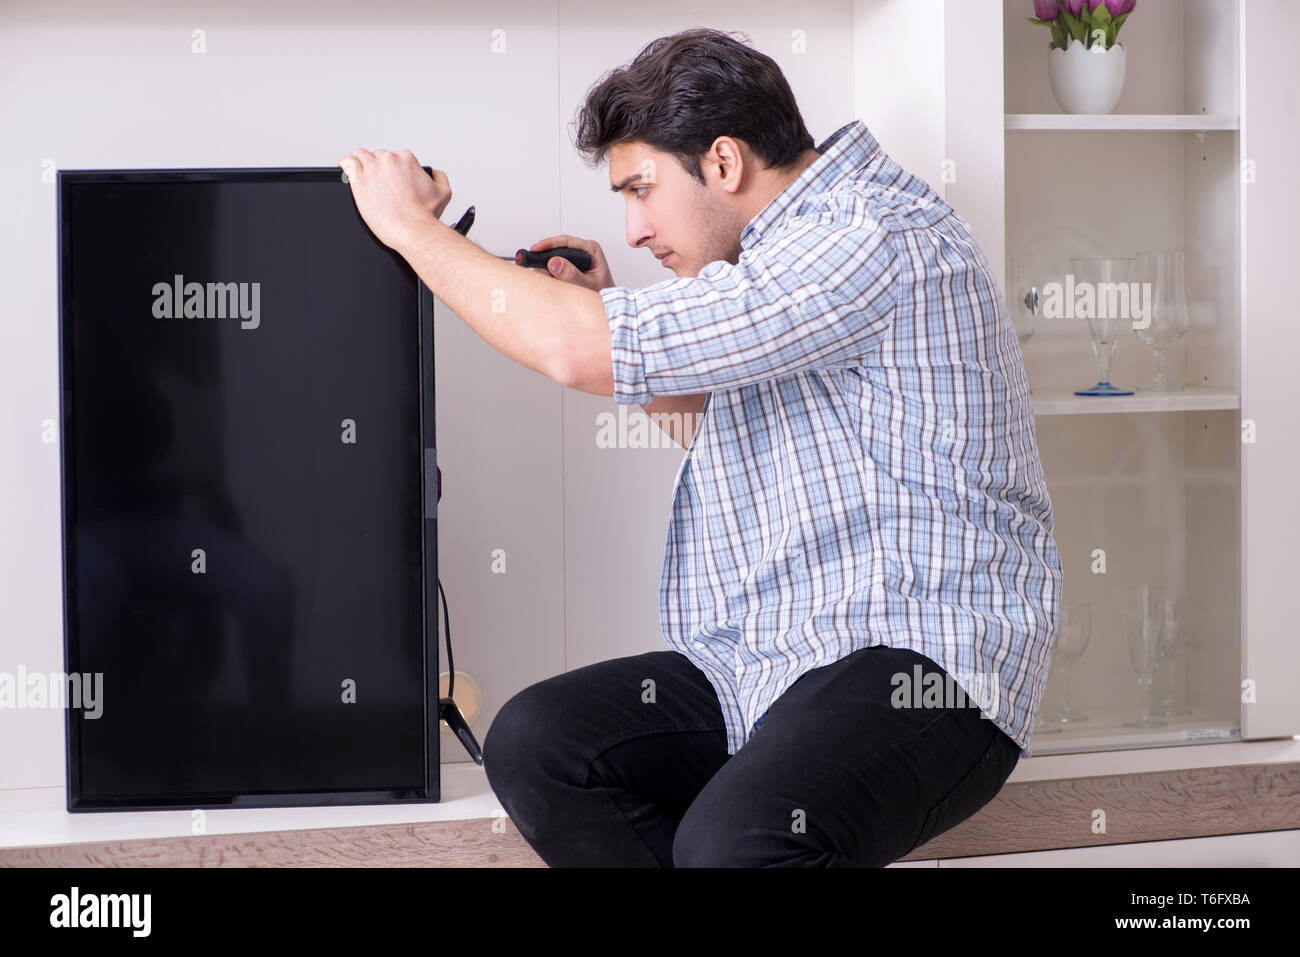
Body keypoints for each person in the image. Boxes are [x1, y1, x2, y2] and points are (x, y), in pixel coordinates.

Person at [338, 26, 1061, 867]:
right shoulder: (779, 260)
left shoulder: (862, 235)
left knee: (736, 843)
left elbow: (576, 353)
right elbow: (722, 424)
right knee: (542, 741)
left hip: (926, 669)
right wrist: (604, 303)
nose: (636, 228)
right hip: (775, 659)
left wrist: (411, 229)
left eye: (642, 189)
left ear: (723, 162)